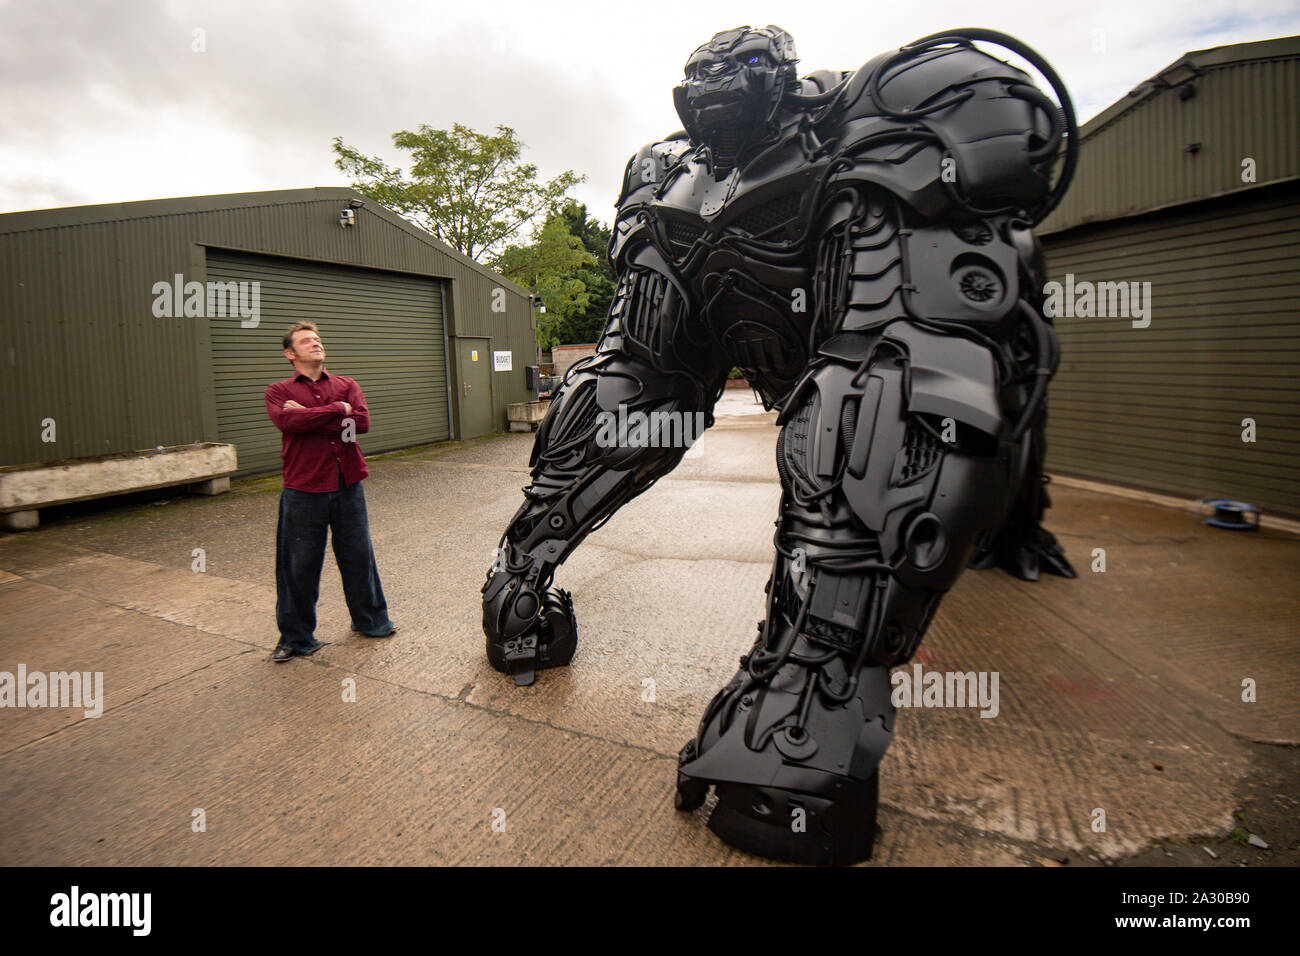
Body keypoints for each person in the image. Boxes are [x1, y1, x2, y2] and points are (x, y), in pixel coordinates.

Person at [264, 322, 396, 662]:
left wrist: (310, 415)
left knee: (358, 556)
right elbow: (288, 423)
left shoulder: (347, 384)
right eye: (306, 341)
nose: (315, 344)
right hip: (303, 489)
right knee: (298, 565)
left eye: (317, 339)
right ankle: (295, 639)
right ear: (290, 354)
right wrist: (339, 410)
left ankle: (371, 621)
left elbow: (362, 423)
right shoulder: (278, 391)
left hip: (348, 483)